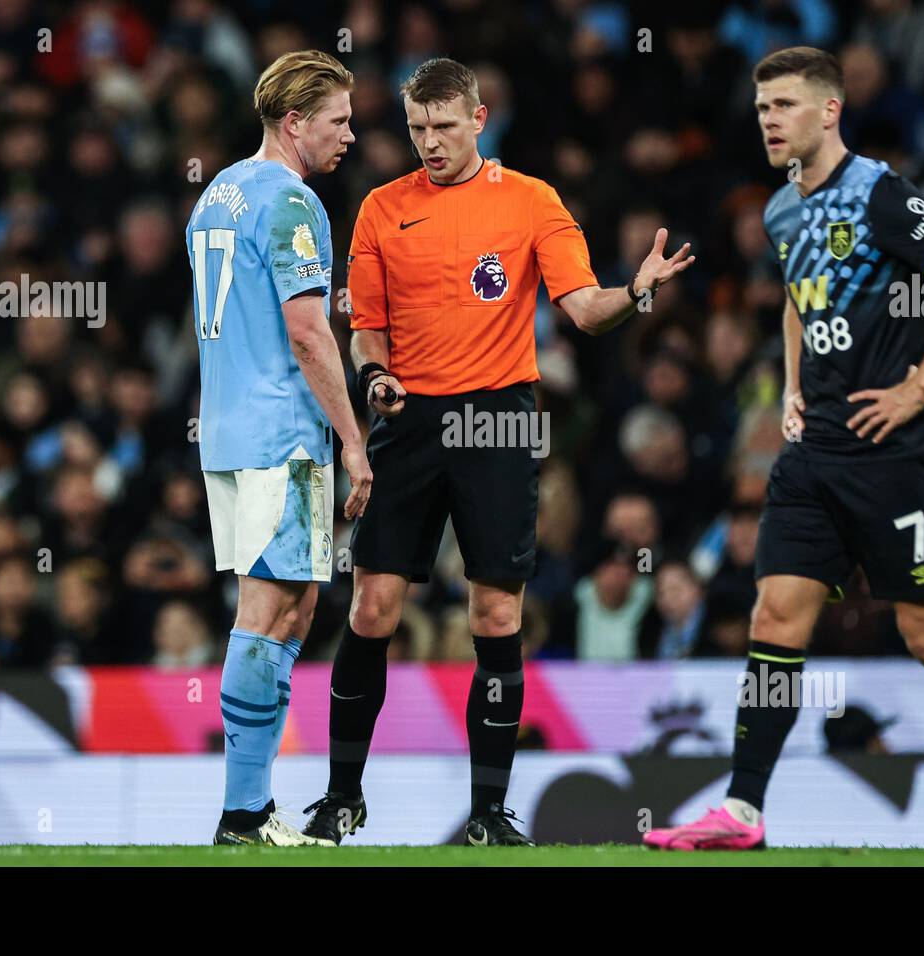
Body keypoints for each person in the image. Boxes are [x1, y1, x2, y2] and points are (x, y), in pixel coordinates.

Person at [644, 47, 924, 855]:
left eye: (787, 105)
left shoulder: (876, 193)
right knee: (775, 615)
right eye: (763, 107)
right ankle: (743, 809)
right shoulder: (780, 210)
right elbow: (803, 300)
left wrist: (919, 390)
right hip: (815, 456)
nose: (770, 119)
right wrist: (795, 385)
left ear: (830, 111)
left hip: (893, 453)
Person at [302, 57, 692, 847]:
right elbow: (365, 325)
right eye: (416, 128)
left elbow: (584, 310)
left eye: (444, 126)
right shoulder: (380, 207)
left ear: (479, 121)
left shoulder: (532, 201)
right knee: (374, 606)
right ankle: (342, 798)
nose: (430, 143)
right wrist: (374, 375)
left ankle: (487, 812)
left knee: (496, 610)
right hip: (407, 419)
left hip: (499, 419)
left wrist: (638, 290)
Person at [187, 50, 372, 848]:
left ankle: (251, 812)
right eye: (337, 121)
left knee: (291, 606)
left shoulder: (214, 195)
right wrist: (354, 443)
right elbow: (306, 332)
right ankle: (243, 815)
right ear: (294, 122)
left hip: (227, 427)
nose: (351, 136)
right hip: (280, 434)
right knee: (270, 610)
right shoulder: (295, 203)